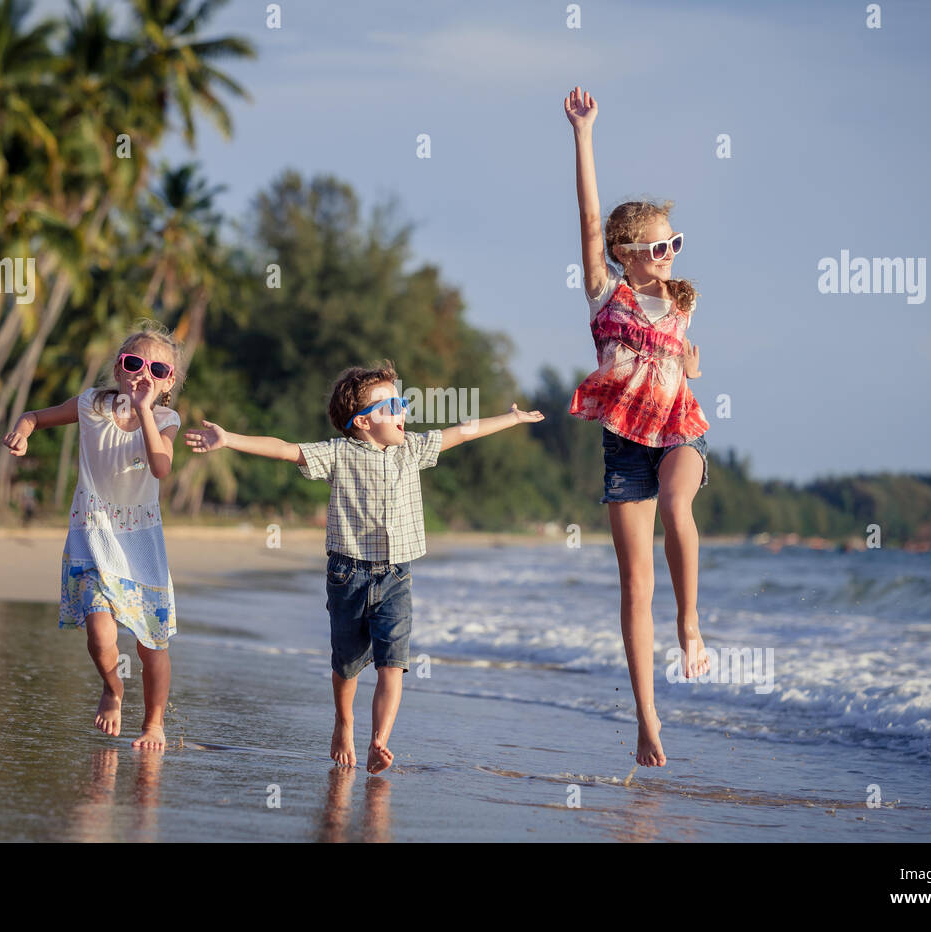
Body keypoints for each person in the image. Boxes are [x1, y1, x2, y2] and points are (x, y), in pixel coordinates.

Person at [184, 360, 543, 773]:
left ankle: (378, 741)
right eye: (391, 405)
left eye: (402, 401)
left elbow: (462, 431)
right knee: (347, 663)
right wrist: (228, 439)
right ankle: (344, 720)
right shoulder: (338, 454)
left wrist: (512, 418)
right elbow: (285, 449)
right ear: (363, 421)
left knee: (393, 665)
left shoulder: (413, 450)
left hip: (396, 577)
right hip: (347, 575)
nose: (403, 410)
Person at [564, 85, 712, 769]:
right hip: (625, 444)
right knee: (633, 587)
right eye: (657, 247)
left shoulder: (681, 298)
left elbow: (696, 362)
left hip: (679, 429)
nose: (669, 254)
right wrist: (584, 134)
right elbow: (590, 217)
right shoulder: (606, 293)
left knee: (679, 502)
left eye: (674, 244)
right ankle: (647, 721)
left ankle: (690, 621)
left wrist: (691, 356)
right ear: (625, 252)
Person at [3, 321, 183, 750]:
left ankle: (154, 723)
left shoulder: (164, 419)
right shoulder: (91, 405)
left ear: (168, 382)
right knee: (100, 636)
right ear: (119, 370)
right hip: (93, 533)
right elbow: (34, 417)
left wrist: (143, 410)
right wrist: (23, 434)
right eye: (135, 363)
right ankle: (112, 688)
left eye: (157, 370)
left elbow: (160, 467)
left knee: (150, 644)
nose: (144, 374)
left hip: (139, 543)